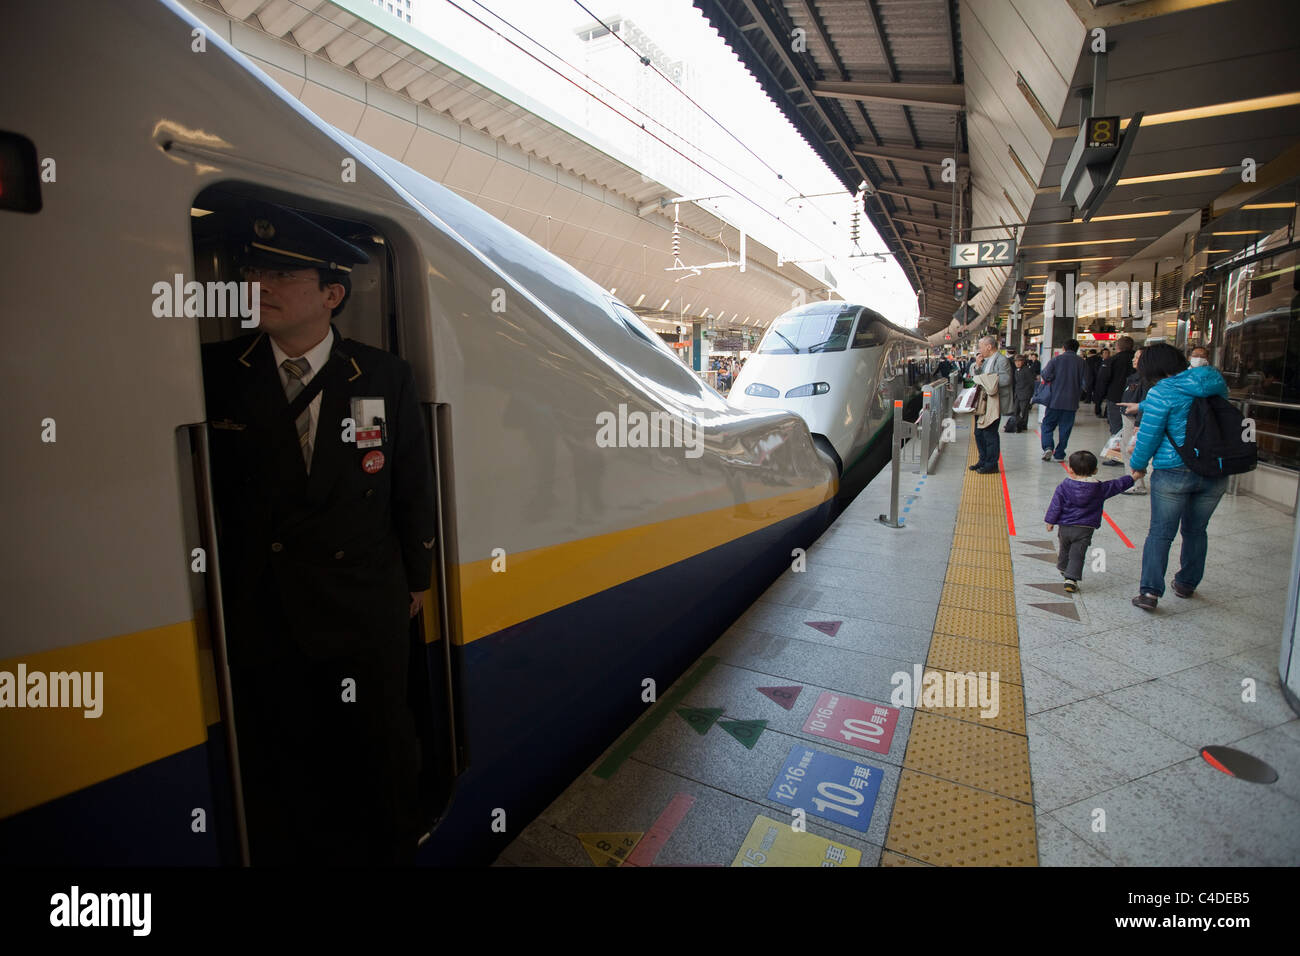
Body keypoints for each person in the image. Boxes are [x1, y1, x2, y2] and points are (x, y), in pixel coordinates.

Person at [201, 198, 438, 864]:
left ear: (331, 294)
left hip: (363, 607)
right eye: (255, 272)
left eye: (281, 276)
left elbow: (412, 485)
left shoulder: (383, 376)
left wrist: (416, 580)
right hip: (264, 612)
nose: (260, 286)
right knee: (285, 758)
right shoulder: (219, 373)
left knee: (379, 751)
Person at [1125, 343, 1230, 610]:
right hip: (1215, 469)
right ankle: (1186, 583)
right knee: (1196, 530)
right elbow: (1188, 398)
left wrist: (1138, 466)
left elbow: (1149, 437)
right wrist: (1144, 403)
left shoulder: (1161, 392)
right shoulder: (1215, 383)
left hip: (1174, 470)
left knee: (1161, 533)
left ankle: (1150, 593)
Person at [1045, 450, 1134, 592]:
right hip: (1085, 528)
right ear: (1095, 470)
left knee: (1064, 548)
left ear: (1070, 470)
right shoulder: (1100, 488)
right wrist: (1133, 477)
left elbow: (1056, 505)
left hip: (1065, 526)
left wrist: (1050, 521)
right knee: (1077, 553)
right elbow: (1117, 485)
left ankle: (1063, 568)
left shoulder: (1064, 486)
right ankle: (1071, 579)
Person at [1038, 339, 1087, 462]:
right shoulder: (1082, 362)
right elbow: (1086, 383)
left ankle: (1048, 447)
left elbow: (1045, 375)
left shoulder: (1056, 360)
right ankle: (1059, 454)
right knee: (1065, 428)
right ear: (1076, 349)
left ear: (1063, 348)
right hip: (1071, 402)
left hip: (1054, 400)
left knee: (1047, 425)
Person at [970, 335, 1012, 474]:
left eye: (981, 346)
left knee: (990, 434)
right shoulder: (986, 361)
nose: (979, 349)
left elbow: (1005, 380)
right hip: (982, 403)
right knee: (978, 433)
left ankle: (991, 464)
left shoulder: (1002, 360)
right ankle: (983, 460)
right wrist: (978, 366)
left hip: (993, 403)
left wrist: (986, 381)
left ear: (989, 346)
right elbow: (976, 377)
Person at [1099, 336, 1136, 465]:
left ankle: (1116, 457)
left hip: (1115, 398)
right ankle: (1130, 455)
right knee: (1131, 429)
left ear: (1118, 347)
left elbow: (1103, 379)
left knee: (1116, 427)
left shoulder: (1112, 360)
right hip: (1135, 400)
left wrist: (1099, 398)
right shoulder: (1138, 361)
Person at [1116, 347, 1148, 494]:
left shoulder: (1147, 380)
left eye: (1137, 357)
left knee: (1132, 450)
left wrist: (1138, 423)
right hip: (1127, 417)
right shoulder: (1135, 377)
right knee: (1125, 447)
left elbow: (1144, 402)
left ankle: (1136, 483)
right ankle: (1131, 479)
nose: (1133, 360)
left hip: (1134, 419)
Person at [1012, 353, 1035, 432]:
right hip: (1018, 394)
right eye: (1016, 361)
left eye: (1020, 361)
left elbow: (1031, 382)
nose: (1018, 363)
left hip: (1025, 394)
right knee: (1016, 410)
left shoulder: (1027, 370)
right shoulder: (1016, 370)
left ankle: (1024, 425)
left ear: (1023, 362)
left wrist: (1031, 394)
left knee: (1024, 411)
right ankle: (1018, 424)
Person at [1093, 348, 1111, 416]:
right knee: (1099, 399)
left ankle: (1107, 413)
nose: (1107, 354)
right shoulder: (1098, 363)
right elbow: (1096, 373)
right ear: (1101, 355)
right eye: (1105, 353)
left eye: (1108, 353)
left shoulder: (1111, 362)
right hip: (1100, 384)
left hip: (1108, 384)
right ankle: (1098, 412)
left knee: (1108, 400)